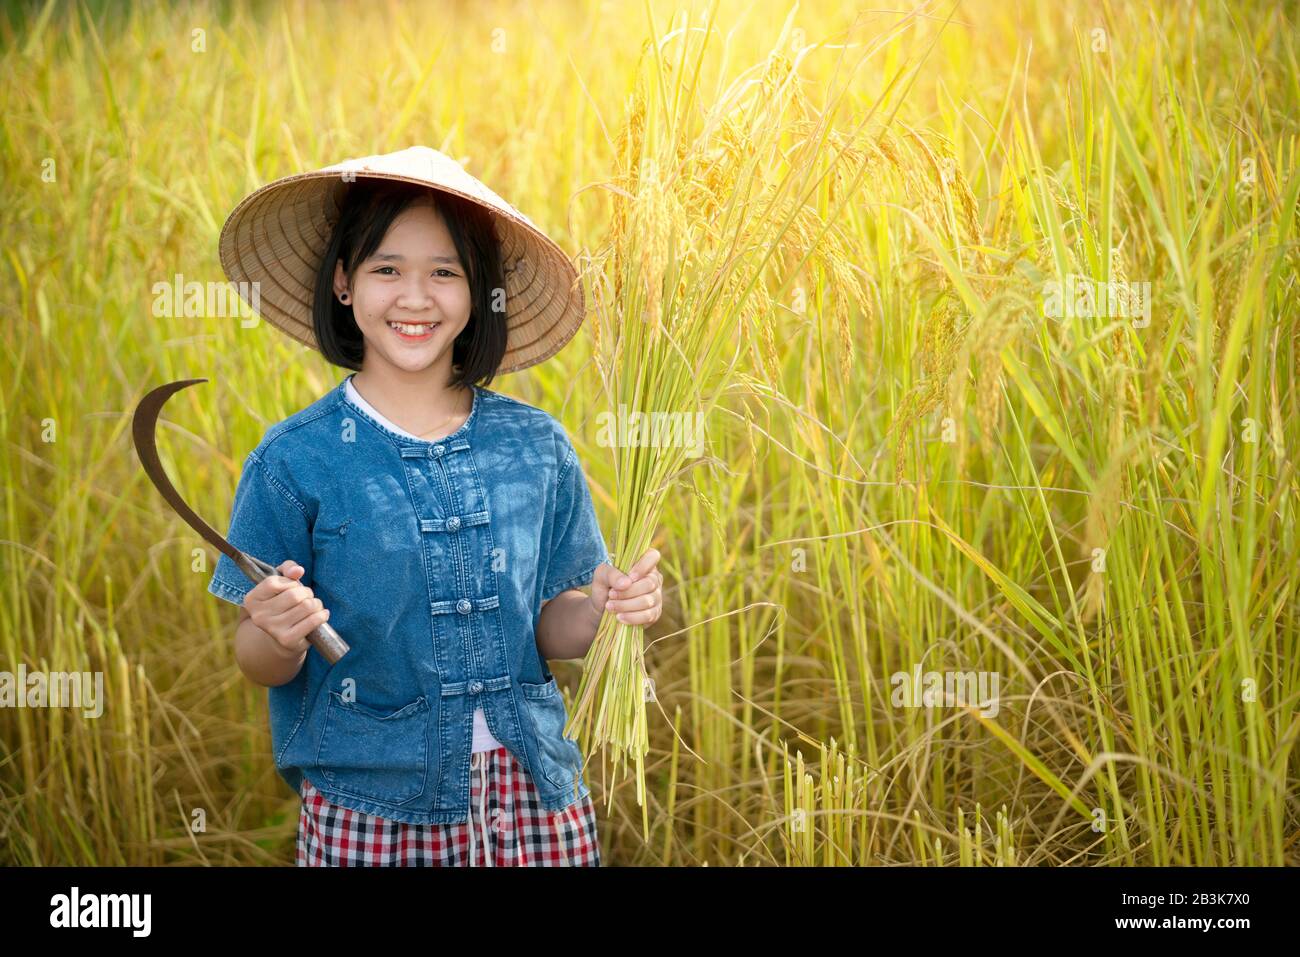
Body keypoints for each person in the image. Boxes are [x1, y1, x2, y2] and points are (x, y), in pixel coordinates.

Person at [206, 146, 663, 866]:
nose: (415, 298)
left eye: (443, 272)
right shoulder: (295, 461)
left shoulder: (534, 446)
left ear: (477, 290)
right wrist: (279, 632)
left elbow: (548, 626)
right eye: (387, 269)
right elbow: (259, 659)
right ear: (344, 284)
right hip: (375, 810)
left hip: (533, 797)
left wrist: (606, 608)